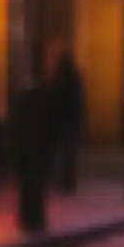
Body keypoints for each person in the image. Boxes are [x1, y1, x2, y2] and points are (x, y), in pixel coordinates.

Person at [46, 52, 84, 194]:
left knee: (62, 153)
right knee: (69, 154)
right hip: (71, 122)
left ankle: (64, 182)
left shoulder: (60, 80)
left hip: (62, 122)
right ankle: (68, 182)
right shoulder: (74, 79)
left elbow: (55, 100)